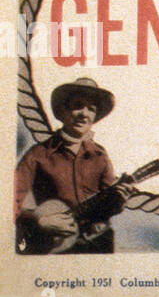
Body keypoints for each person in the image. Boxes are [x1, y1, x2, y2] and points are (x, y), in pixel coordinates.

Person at [14, 78, 130, 254]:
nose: (84, 114)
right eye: (78, 105)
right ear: (64, 110)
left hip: (97, 245)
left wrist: (119, 199)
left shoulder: (100, 156)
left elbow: (107, 206)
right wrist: (38, 221)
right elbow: (9, 200)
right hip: (53, 248)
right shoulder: (38, 154)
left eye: (91, 109)